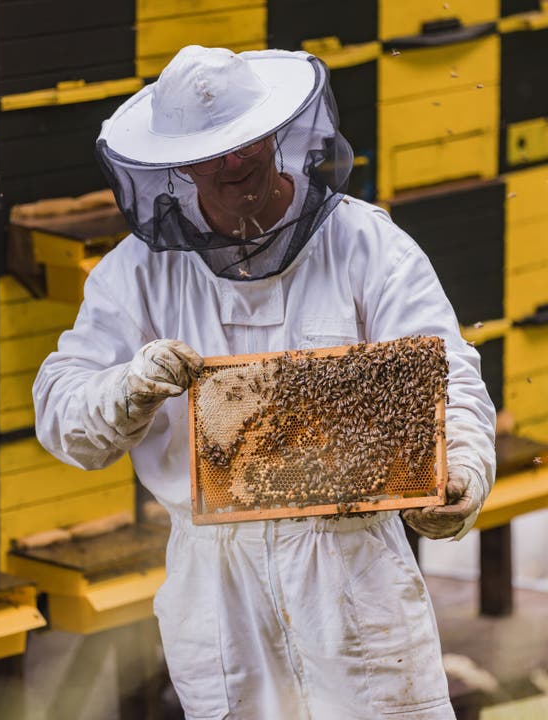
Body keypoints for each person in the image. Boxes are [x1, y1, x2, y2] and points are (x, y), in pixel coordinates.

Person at [33, 45, 496, 720]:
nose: (232, 169)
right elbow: (60, 410)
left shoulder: (368, 246)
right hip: (217, 590)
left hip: (354, 575)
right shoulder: (134, 274)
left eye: (245, 151)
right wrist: (125, 390)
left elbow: (449, 379)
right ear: (177, 164)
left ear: (278, 135)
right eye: (213, 157)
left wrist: (461, 472)